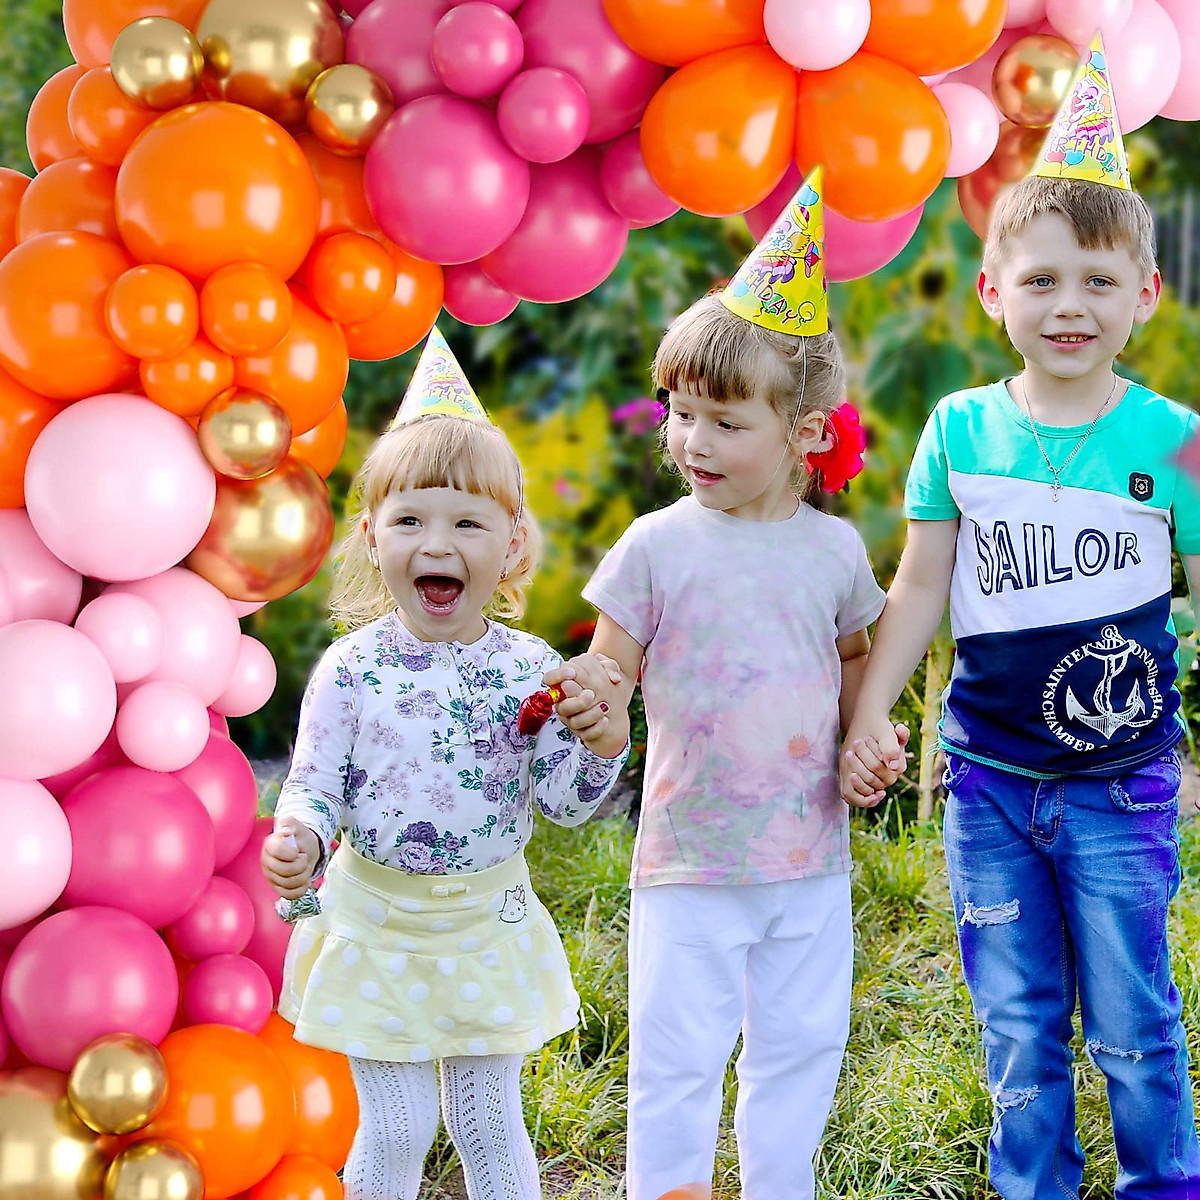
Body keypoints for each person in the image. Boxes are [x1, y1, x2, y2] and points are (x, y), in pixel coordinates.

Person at [841, 42, 1200, 1200]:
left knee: (1137, 1023)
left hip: (1122, 783)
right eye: (1040, 280)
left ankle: (1164, 1185)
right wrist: (866, 716)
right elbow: (919, 588)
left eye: (1099, 282)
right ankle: (1031, 1186)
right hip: (988, 780)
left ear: (1144, 296)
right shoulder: (960, 429)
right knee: (1016, 1024)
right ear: (994, 292)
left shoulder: (1174, 439)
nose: (1069, 306)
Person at [260, 329, 630, 1200]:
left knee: (488, 1124)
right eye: (411, 519)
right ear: (372, 536)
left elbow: (566, 804)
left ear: (510, 542)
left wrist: (602, 741)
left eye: (468, 521)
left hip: (485, 925)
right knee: (395, 1126)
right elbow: (314, 781)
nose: (439, 541)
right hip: (375, 924)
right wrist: (300, 838)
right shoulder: (352, 670)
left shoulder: (531, 670)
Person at [582, 169, 892, 1200]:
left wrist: (871, 742)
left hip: (809, 861)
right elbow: (611, 655)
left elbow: (859, 672)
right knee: (675, 1060)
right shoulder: (656, 545)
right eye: (680, 414)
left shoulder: (835, 556)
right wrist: (591, 690)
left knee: (799, 1050)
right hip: (688, 860)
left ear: (806, 435)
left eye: (723, 421)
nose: (689, 442)